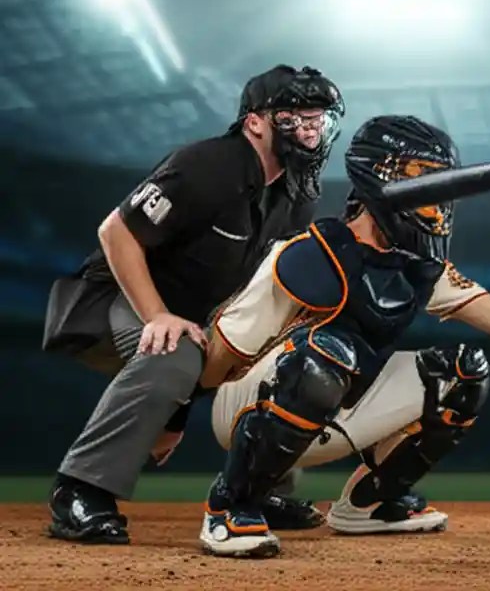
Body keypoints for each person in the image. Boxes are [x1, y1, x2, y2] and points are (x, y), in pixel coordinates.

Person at [193, 114, 490, 558]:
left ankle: (370, 503)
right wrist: (180, 411)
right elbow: (224, 353)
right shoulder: (308, 255)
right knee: (328, 356)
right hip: (247, 403)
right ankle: (231, 505)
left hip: (339, 402)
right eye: (420, 177)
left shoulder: (418, 266)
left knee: (465, 370)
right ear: (378, 177)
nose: (436, 196)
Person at [42, 64, 346, 544]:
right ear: (255, 122)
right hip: (116, 298)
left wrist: (179, 407)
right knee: (174, 348)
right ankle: (79, 490)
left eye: (317, 118)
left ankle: (254, 489)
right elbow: (116, 232)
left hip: (199, 318)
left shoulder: (298, 191)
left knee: (289, 362)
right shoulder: (207, 164)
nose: (309, 129)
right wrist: (156, 315)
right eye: (293, 117)